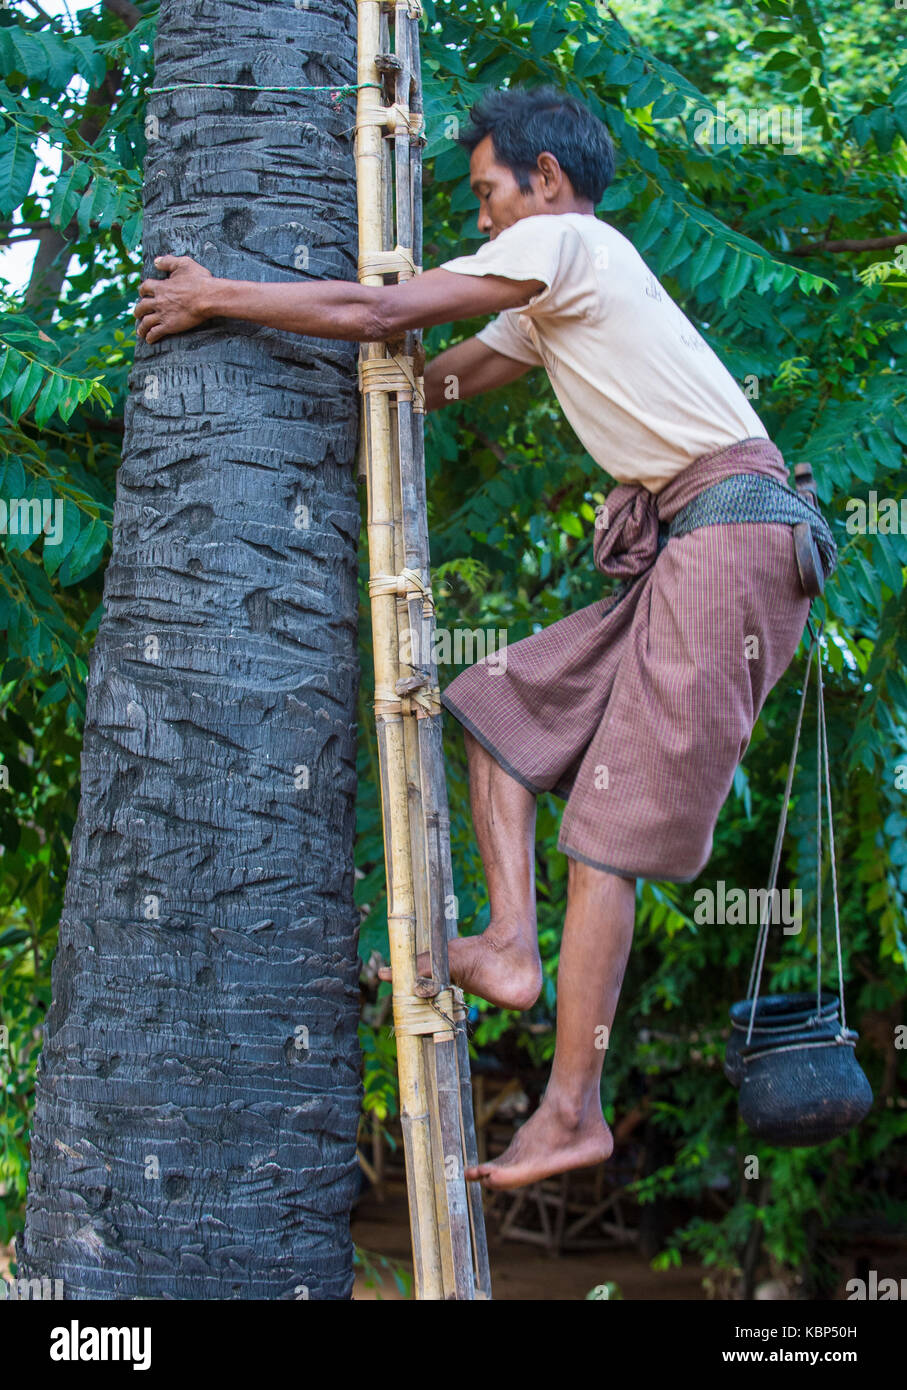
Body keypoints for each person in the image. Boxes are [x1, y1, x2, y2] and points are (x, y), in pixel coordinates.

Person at [133, 85, 835, 1191]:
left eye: (485, 191)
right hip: (693, 546)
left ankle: (571, 1112)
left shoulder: (564, 242)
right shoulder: (555, 285)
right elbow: (443, 376)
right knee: (497, 709)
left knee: (606, 837)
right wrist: (351, 392)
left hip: (730, 542)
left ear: (544, 183)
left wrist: (224, 296)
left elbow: (388, 315)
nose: (479, 217)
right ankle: (509, 947)